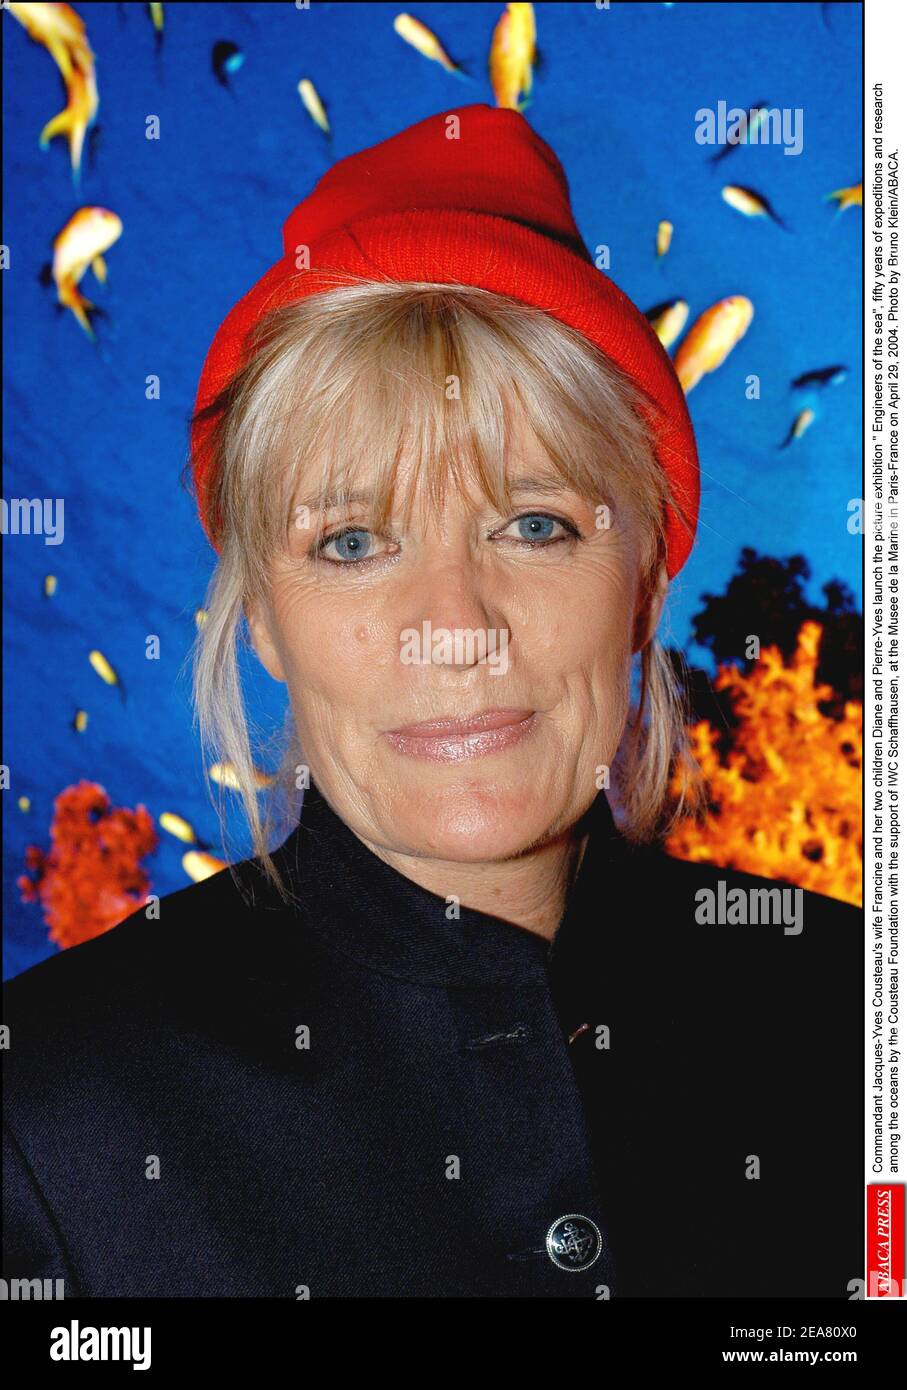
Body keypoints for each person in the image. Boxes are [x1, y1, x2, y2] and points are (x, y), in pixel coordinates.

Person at [3, 105, 861, 1299]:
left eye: (535, 524)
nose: (454, 623)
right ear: (259, 615)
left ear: (645, 587)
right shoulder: (42, 1116)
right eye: (352, 540)